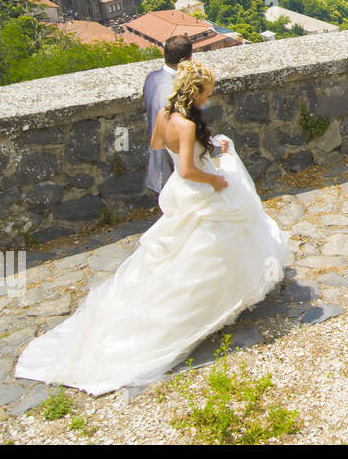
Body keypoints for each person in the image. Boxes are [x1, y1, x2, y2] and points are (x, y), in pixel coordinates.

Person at [15, 60, 292, 396]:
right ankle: (211, 304)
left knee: (183, 251)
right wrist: (215, 176)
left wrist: (207, 150)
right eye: (207, 93)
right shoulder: (188, 126)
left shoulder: (165, 115)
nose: (210, 97)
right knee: (211, 246)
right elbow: (190, 170)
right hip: (198, 189)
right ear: (195, 92)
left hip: (179, 189)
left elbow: (160, 146)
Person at [143, 34, 193, 195]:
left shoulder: (151, 78)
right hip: (173, 167)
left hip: (157, 160)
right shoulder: (176, 92)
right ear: (187, 59)